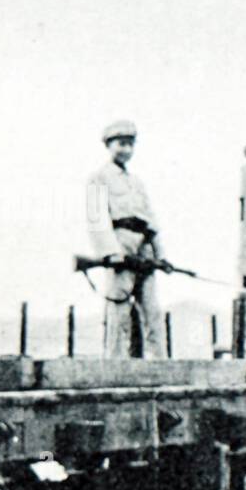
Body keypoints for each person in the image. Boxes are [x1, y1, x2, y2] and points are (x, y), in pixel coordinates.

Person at [86, 120, 167, 358]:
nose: (126, 150)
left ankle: (158, 361)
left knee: (152, 309)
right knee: (119, 306)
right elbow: (97, 219)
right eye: (121, 144)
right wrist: (110, 252)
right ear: (109, 145)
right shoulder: (99, 178)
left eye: (131, 145)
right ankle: (115, 360)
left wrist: (160, 256)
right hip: (120, 243)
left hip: (144, 247)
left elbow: (151, 221)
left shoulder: (136, 182)